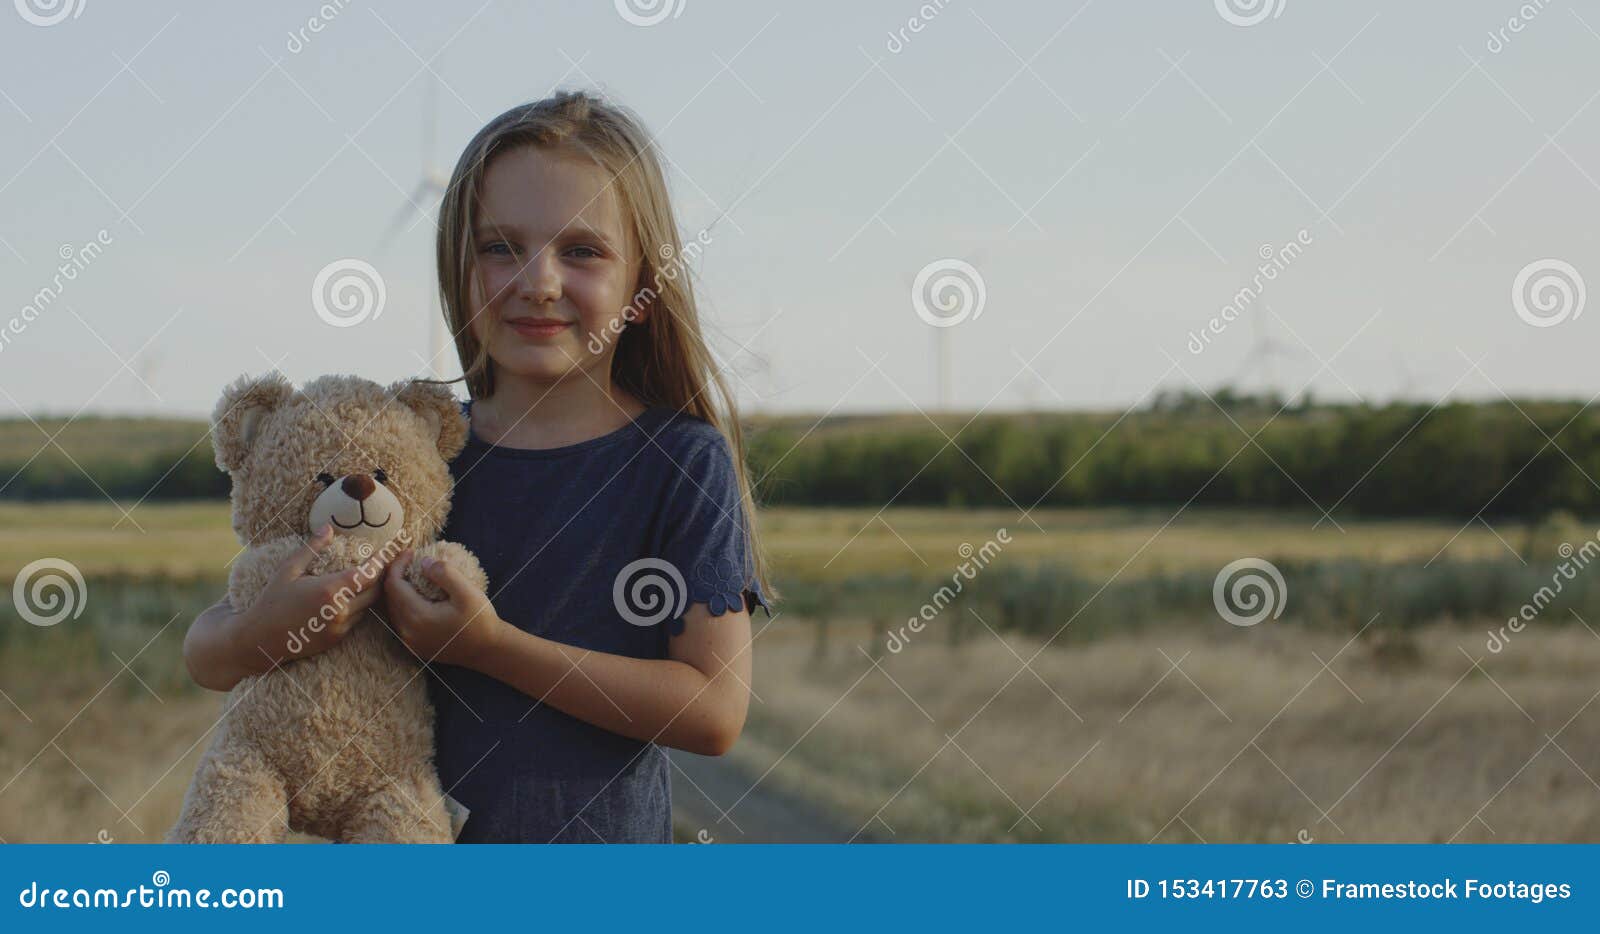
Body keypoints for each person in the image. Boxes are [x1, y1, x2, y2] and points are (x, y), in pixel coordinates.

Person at [182, 90, 775, 843]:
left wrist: (493, 649)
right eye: (500, 247)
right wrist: (265, 630)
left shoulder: (680, 461)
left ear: (644, 289)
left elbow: (714, 712)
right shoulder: (413, 461)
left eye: (582, 251)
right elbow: (207, 652)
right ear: (457, 270)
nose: (538, 282)